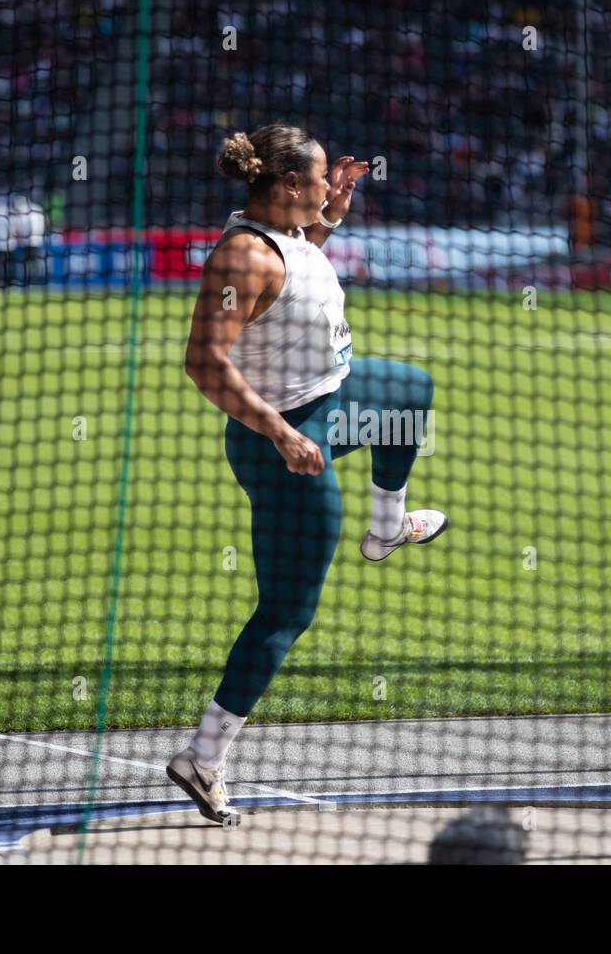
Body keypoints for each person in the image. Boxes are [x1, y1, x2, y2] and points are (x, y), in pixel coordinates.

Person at [169, 125, 449, 824]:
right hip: (284, 439)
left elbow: (294, 284)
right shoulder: (242, 257)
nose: (329, 187)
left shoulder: (288, 234)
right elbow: (204, 361)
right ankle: (203, 759)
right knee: (288, 611)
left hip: (336, 398)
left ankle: (387, 528)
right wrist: (281, 434)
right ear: (288, 183)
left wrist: (333, 217)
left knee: (411, 391)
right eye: (321, 179)